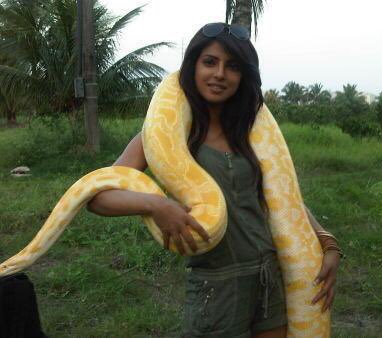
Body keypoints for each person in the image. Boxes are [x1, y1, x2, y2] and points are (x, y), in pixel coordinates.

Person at [87, 22, 342, 338]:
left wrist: (326, 242)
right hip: (216, 286)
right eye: (210, 62)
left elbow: (284, 199)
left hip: (268, 279)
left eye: (232, 66)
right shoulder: (158, 138)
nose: (220, 74)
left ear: (242, 76)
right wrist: (155, 205)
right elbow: (98, 196)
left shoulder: (249, 134)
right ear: (192, 66)